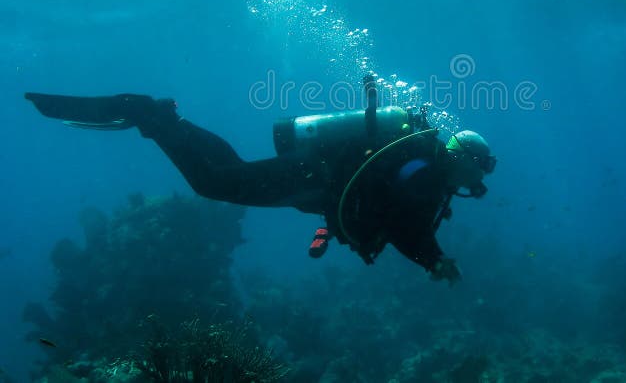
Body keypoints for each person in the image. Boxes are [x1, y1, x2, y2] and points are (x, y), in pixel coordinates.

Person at [24, 76, 496, 284]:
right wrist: (433, 259)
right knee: (214, 184)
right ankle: (145, 114)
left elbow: (388, 208)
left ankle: (165, 118)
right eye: (481, 166)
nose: (479, 178)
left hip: (315, 178)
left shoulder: (425, 166)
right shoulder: (426, 173)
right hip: (315, 177)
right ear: (465, 158)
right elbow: (398, 221)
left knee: (230, 172)